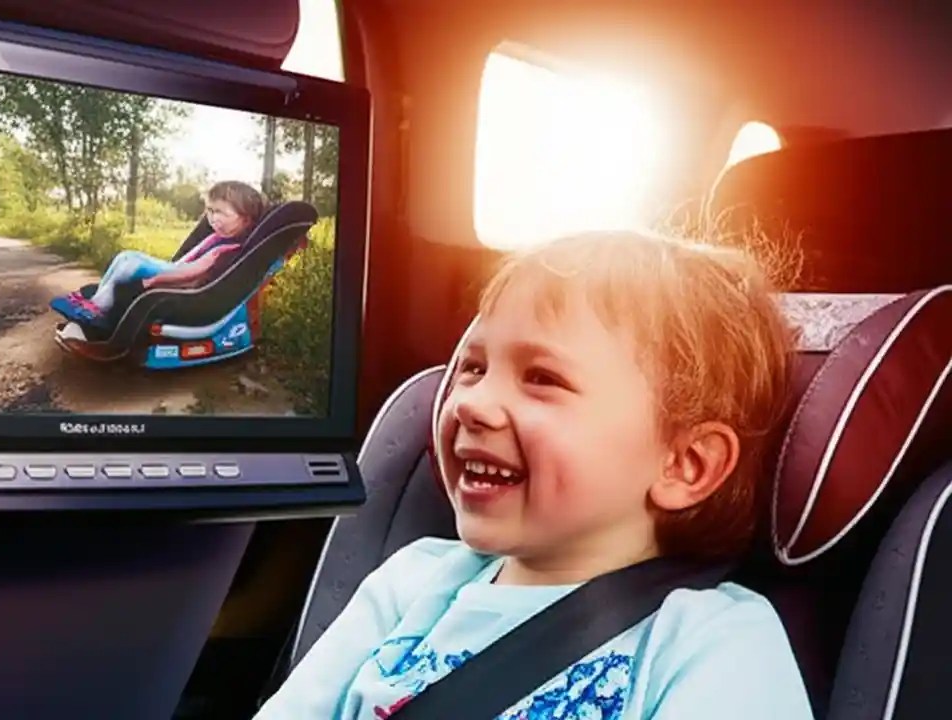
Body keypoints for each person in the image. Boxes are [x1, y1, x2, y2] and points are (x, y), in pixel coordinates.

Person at [254, 230, 814, 720]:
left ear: (684, 464)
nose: (471, 403)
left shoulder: (711, 641)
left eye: (542, 377)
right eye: (473, 367)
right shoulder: (414, 583)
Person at [78, 180, 265, 315]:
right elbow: (187, 258)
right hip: (176, 266)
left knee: (130, 266)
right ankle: (96, 298)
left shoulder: (228, 249)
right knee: (125, 256)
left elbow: (193, 272)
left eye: (220, 213)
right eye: (210, 211)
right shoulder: (217, 237)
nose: (212, 219)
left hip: (183, 277)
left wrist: (152, 281)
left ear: (245, 218)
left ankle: (98, 308)